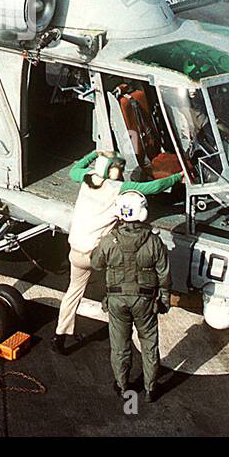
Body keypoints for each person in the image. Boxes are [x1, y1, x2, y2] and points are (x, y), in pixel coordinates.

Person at [52, 150, 182, 355]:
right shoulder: (118, 188)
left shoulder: (88, 179)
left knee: (73, 291)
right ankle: (124, 331)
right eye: (118, 168)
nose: (121, 171)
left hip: (76, 250)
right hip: (98, 255)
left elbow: (74, 171)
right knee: (122, 288)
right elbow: (154, 187)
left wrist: (93, 154)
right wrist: (178, 176)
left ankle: (59, 336)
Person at [90, 191, 171, 402]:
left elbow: (96, 263)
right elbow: (164, 273)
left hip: (117, 300)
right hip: (145, 301)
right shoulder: (154, 242)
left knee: (119, 345)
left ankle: (122, 384)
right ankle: (151, 389)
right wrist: (164, 299)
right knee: (149, 343)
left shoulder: (110, 240)